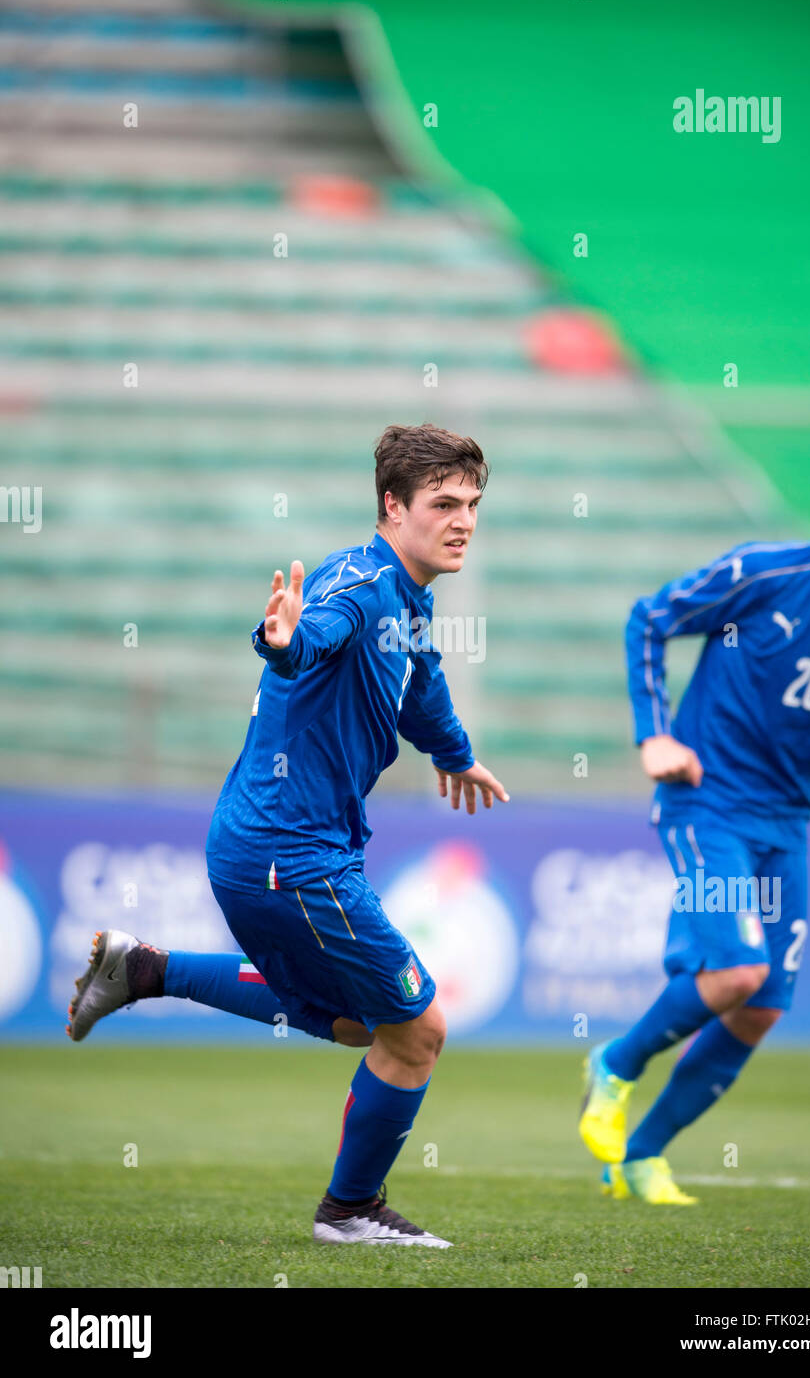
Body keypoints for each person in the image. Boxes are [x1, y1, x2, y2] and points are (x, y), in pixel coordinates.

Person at [68, 423, 509, 1246]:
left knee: (358, 1024)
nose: (463, 521)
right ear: (392, 505)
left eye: (472, 505)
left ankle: (147, 968)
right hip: (288, 856)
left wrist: (456, 754)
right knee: (417, 1031)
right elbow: (313, 637)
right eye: (443, 503)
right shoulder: (356, 584)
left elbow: (420, 683)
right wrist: (281, 640)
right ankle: (348, 1212)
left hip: (276, 849)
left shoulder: (405, 594)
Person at [579, 460, 810, 1204]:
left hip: (787, 821)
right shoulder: (763, 575)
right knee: (737, 970)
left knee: (762, 1004)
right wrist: (653, 735)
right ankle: (613, 1063)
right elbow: (651, 617)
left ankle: (638, 1155)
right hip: (705, 802)